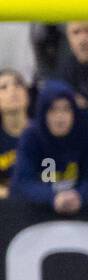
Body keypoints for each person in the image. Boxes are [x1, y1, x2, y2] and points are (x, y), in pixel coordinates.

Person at [12, 79, 88, 214]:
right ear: (42, 113)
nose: (60, 117)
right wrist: (52, 197)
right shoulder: (31, 136)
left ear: (74, 112)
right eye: (52, 110)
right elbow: (23, 182)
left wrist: (80, 196)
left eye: (66, 109)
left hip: (84, 210)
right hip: (38, 212)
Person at [0, 69, 27, 198]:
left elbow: (50, 178)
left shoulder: (44, 132)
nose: (13, 90)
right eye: (4, 87)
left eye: (17, 84)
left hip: (41, 203)